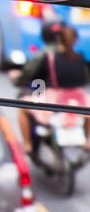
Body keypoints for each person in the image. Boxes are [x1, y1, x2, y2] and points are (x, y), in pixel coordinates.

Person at [9, 18, 90, 154]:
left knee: (22, 107)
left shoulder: (47, 56)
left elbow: (29, 76)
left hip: (56, 99)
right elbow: (85, 79)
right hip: (78, 100)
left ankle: (27, 145)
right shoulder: (79, 57)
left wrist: (17, 78)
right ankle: (87, 140)